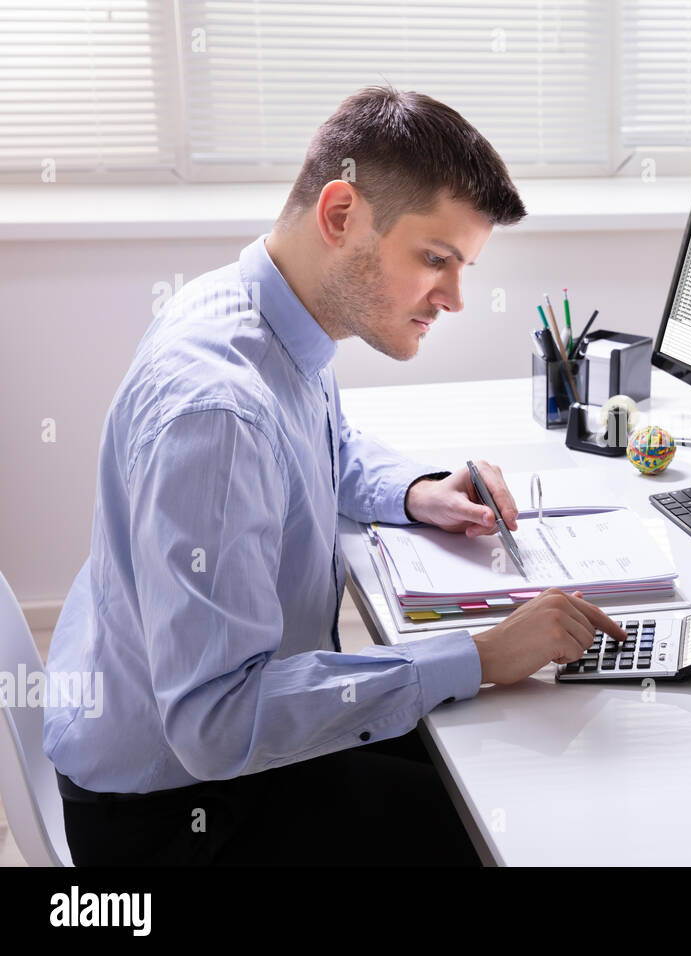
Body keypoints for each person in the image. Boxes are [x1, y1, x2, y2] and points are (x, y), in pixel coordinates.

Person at [42, 84, 625, 866]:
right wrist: (480, 656)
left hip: (201, 745)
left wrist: (418, 492)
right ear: (342, 214)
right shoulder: (219, 411)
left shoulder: (263, 315)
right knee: (520, 821)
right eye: (435, 260)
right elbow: (215, 724)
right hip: (179, 811)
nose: (454, 298)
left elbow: (323, 446)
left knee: (503, 750)